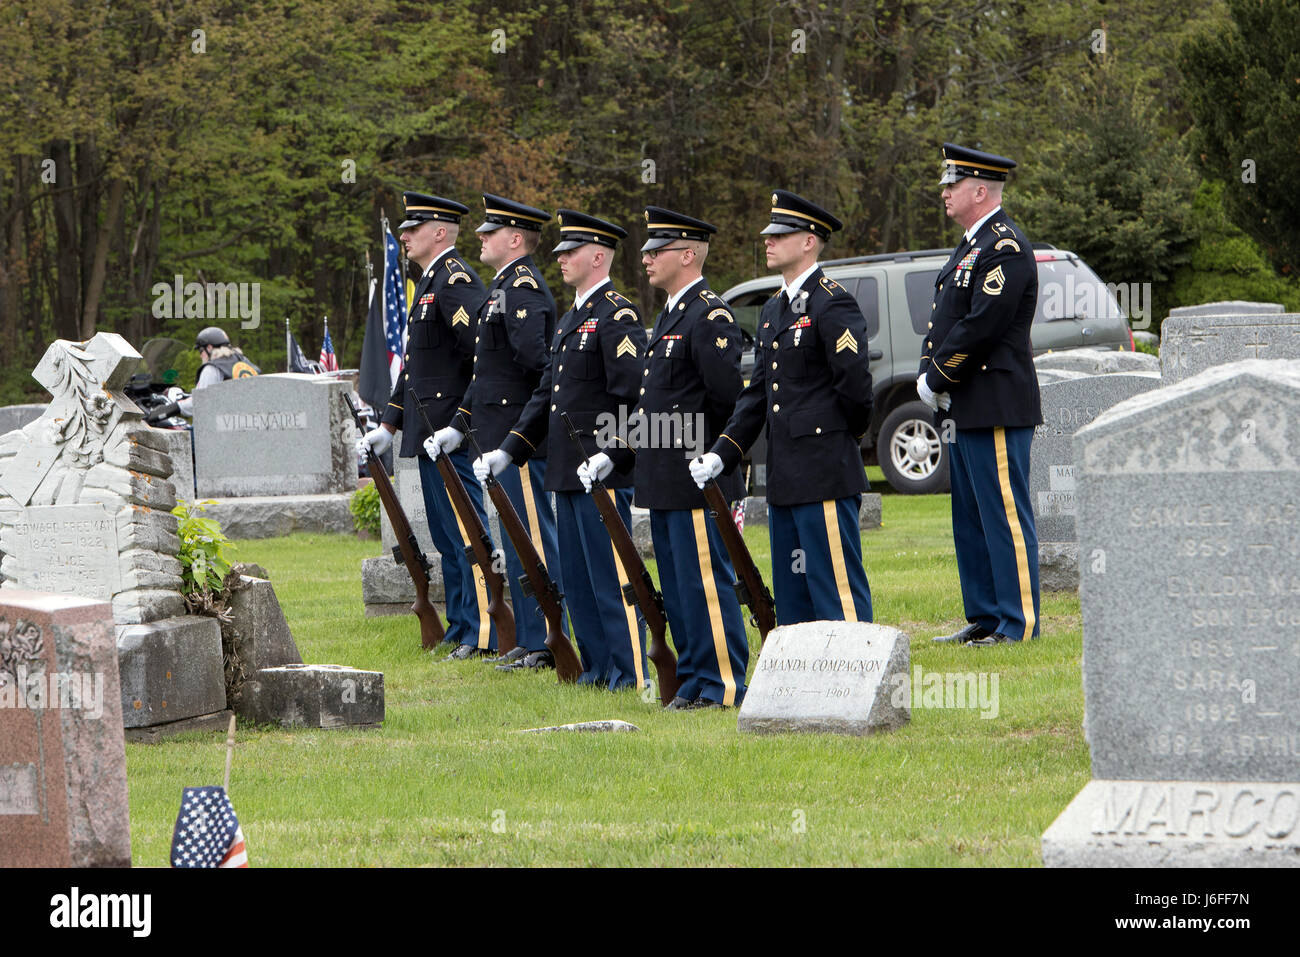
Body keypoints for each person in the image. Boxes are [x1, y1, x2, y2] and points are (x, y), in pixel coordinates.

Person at [581, 207, 748, 710]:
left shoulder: (709, 314)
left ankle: (723, 682)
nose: (647, 258)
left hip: (695, 475)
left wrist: (713, 457)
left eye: (659, 249)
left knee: (705, 583)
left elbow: (726, 399)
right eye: (648, 249)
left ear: (689, 254)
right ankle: (695, 678)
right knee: (677, 588)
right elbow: (652, 405)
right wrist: (617, 452)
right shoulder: (671, 314)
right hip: (663, 477)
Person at [475, 210, 648, 691]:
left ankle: (630, 671)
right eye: (559, 252)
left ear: (597, 256)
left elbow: (634, 398)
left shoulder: (618, 314)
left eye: (570, 252)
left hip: (602, 470)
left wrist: (614, 453)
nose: (561, 259)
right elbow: (545, 395)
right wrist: (510, 450)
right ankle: (595, 670)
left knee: (611, 580)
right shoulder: (573, 318)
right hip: (568, 472)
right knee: (578, 581)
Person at [691, 190, 874, 625]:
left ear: (809, 241)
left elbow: (855, 389)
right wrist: (723, 452)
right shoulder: (774, 309)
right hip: (786, 476)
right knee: (794, 595)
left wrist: (839, 442)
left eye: (781, 234)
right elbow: (756, 395)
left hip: (825, 471)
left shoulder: (832, 302)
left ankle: (854, 673)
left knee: (835, 589)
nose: (768, 241)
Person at [424, 193, 567, 672]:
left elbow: (539, 371)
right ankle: (527, 640)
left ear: (514, 239)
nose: (480, 238)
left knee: (533, 544)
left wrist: (518, 440)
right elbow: (488, 374)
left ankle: (549, 639)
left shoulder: (522, 290)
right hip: (498, 439)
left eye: (490, 231)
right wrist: (459, 425)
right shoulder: (503, 287)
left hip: (518, 444)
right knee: (515, 542)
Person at [358, 191, 498, 660]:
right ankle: (462, 626)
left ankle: (484, 631)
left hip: (450, 434)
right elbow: (417, 367)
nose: (403, 236)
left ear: (440, 232)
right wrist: (390, 425)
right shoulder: (429, 283)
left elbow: (485, 356)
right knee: (445, 537)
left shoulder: (455, 280)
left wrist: (463, 421)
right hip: (428, 433)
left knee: (465, 534)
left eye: (413, 228)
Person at [922, 144, 1041, 647]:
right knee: (971, 517)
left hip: (994, 398)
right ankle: (986, 616)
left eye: (952, 185)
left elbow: (981, 325)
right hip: (967, 404)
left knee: (1003, 514)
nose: (945, 193)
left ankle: (1018, 623)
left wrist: (936, 376)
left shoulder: (1004, 245)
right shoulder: (972, 245)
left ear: (979, 191)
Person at [173, 327, 259, 416]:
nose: (200, 356)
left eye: (200, 351)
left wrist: (171, 408)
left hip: (224, 425)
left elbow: (199, 403)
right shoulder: (244, 361)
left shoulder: (212, 369)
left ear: (209, 348)